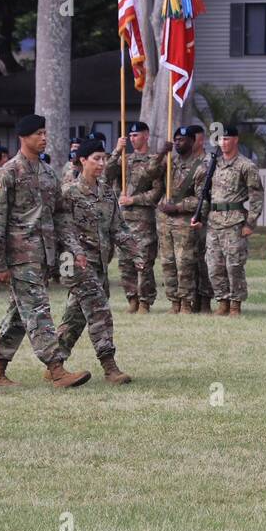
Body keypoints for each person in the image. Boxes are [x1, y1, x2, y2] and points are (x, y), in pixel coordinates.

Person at [0, 114, 90, 389]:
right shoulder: (7, 173)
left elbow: (62, 216)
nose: (44, 138)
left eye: (45, 133)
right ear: (24, 137)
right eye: (38, 133)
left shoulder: (48, 174)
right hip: (19, 257)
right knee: (38, 310)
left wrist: (75, 249)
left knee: (20, 314)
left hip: (43, 256)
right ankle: (57, 369)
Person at [56, 139, 138, 383]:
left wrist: (136, 252)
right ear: (82, 160)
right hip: (74, 262)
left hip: (99, 263)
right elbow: (61, 228)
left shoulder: (107, 192)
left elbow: (118, 228)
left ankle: (55, 361)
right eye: (96, 158)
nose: (102, 163)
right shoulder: (69, 192)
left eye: (104, 158)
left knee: (76, 315)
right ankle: (110, 366)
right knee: (99, 310)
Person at [193, 125, 264, 316]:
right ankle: (222, 301)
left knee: (234, 266)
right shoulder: (213, 165)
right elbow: (207, 195)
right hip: (214, 222)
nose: (223, 143)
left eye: (227, 139)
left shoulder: (245, 165)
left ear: (235, 140)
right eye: (220, 140)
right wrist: (201, 217)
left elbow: (256, 196)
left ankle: (235, 304)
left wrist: (250, 223)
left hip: (234, 222)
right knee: (214, 265)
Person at [108, 121, 162, 313]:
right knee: (125, 262)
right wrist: (116, 150)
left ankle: (145, 301)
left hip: (143, 220)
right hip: (123, 220)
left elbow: (157, 192)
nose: (132, 139)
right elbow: (106, 175)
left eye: (136, 135)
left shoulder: (154, 160)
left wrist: (134, 199)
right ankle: (132, 299)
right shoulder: (124, 159)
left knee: (144, 262)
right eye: (130, 136)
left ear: (146, 135)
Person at [157, 125, 211, 313]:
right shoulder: (169, 163)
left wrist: (177, 207)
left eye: (183, 140)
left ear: (192, 141)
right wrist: (161, 154)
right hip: (165, 223)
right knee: (167, 263)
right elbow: (149, 174)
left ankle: (186, 303)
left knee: (184, 264)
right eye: (176, 140)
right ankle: (174, 302)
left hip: (184, 223)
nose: (178, 143)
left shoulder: (200, 167)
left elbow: (201, 199)